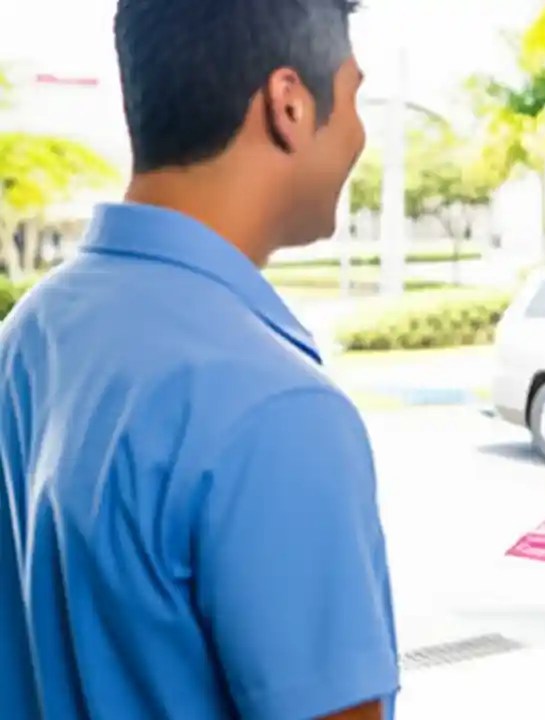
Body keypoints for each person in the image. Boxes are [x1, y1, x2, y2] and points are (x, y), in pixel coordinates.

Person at [0, 2, 398, 719]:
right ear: (290, 104)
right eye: (356, 95)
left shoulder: (32, 332)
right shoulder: (277, 407)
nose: (362, 132)